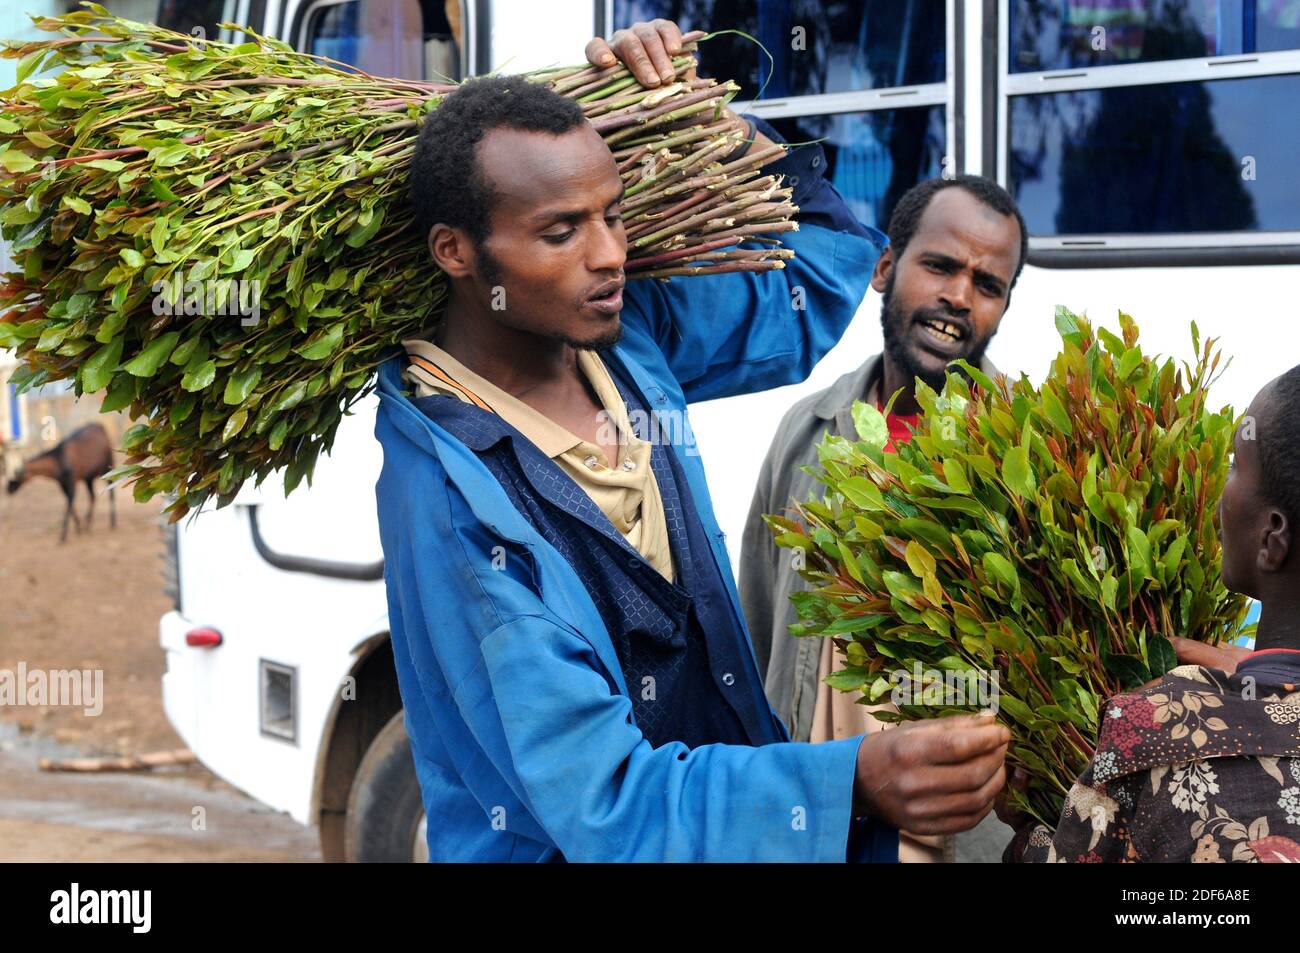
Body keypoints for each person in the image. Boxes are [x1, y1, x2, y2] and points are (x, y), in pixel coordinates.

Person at [371, 18, 1010, 861]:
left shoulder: (627, 346)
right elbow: (609, 807)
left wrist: (692, 108)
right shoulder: (456, 510)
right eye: (561, 232)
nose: (610, 257)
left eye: (614, 216)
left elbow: (824, 269)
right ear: (456, 252)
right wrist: (846, 780)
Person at [738, 174, 1027, 861]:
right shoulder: (807, 430)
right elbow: (752, 631)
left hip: (959, 841)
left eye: (988, 285)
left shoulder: (1033, 457)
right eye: (939, 265)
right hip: (814, 824)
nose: (959, 297)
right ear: (885, 268)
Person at [1004, 364, 1300, 862]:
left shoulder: (1158, 724)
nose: (1219, 490)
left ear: (1272, 537)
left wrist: (1025, 826)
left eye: (1233, 465)